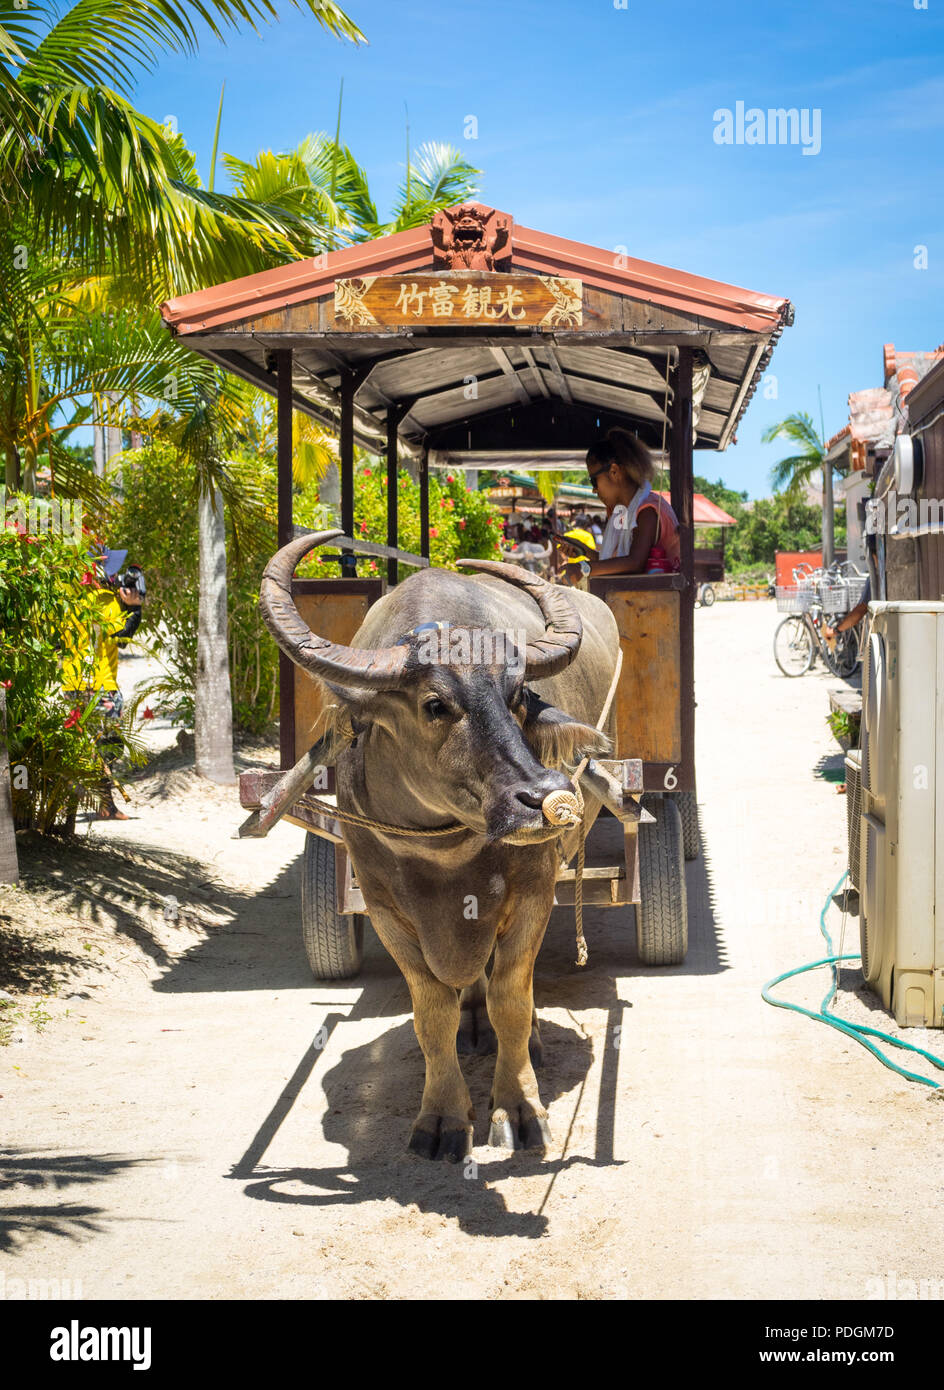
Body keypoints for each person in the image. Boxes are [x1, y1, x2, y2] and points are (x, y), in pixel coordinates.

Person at [62, 546, 144, 820]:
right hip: (101, 684)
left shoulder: (68, 597)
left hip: (71, 682)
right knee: (110, 746)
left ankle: (100, 803)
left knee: (85, 746)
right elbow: (121, 638)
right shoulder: (107, 601)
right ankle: (103, 803)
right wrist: (135, 609)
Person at [560, 427, 681, 584]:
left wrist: (584, 567)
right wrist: (585, 551)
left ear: (615, 472)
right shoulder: (621, 512)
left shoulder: (648, 511)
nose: (594, 489)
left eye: (594, 481)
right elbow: (616, 562)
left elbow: (634, 563)